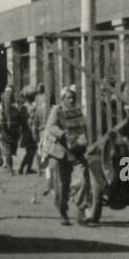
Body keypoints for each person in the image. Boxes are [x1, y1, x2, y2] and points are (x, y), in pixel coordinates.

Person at [46, 84, 89, 226]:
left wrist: (82, 139)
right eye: (68, 98)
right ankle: (63, 212)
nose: (71, 100)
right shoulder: (57, 111)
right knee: (62, 185)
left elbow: (83, 127)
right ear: (63, 99)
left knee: (83, 179)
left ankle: (81, 209)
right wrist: (63, 134)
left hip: (76, 152)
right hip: (61, 152)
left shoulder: (77, 112)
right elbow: (51, 126)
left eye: (73, 98)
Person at [0, 86, 19, 174]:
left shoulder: (1, 107)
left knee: (7, 148)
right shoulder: (14, 106)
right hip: (11, 130)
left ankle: (9, 168)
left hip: (5, 130)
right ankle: (10, 168)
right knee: (8, 148)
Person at [17, 89, 37, 174]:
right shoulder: (30, 107)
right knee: (31, 150)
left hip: (26, 131)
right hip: (29, 131)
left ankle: (26, 168)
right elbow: (29, 121)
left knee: (31, 150)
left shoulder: (24, 107)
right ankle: (23, 168)